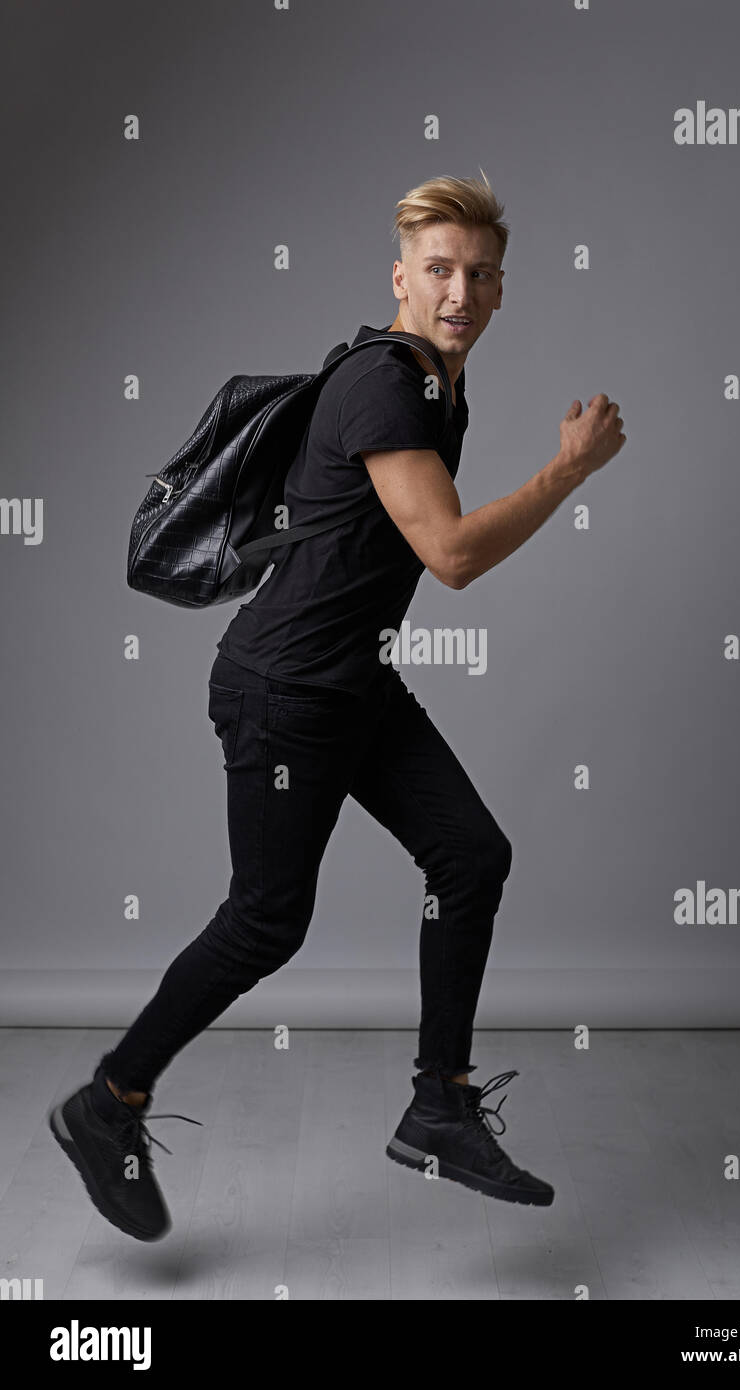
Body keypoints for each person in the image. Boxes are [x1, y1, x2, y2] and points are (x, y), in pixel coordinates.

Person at [49, 172, 626, 1241]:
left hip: (351, 677)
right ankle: (107, 1101)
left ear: (500, 292)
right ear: (399, 277)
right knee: (267, 919)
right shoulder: (385, 383)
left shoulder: (435, 388)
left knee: (469, 855)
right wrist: (567, 472)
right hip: (285, 689)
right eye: (439, 269)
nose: (459, 290)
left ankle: (437, 1105)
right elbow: (448, 555)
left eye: (480, 274)